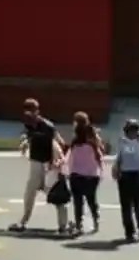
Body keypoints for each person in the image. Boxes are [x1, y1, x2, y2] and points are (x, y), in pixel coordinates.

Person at [9, 98, 65, 233]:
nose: (28, 116)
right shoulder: (28, 124)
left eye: (31, 112)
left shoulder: (48, 126)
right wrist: (24, 142)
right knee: (29, 194)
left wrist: (57, 160)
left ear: (37, 112)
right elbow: (26, 135)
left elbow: (58, 142)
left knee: (56, 195)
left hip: (48, 165)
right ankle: (23, 221)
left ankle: (63, 225)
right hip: (35, 163)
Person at [111, 118, 139, 242]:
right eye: (131, 130)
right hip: (125, 175)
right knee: (126, 206)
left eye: (135, 130)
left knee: (137, 205)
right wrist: (116, 170)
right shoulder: (122, 142)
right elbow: (118, 158)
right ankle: (129, 232)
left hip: (138, 174)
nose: (133, 133)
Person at [66, 111, 104, 235]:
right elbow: (99, 156)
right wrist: (101, 170)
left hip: (76, 174)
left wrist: (67, 171)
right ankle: (96, 220)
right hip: (92, 175)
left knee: (78, 202)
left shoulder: (75, 141)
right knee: (91, 199)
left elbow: (71, 158)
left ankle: (79, 225)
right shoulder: (93, 140)